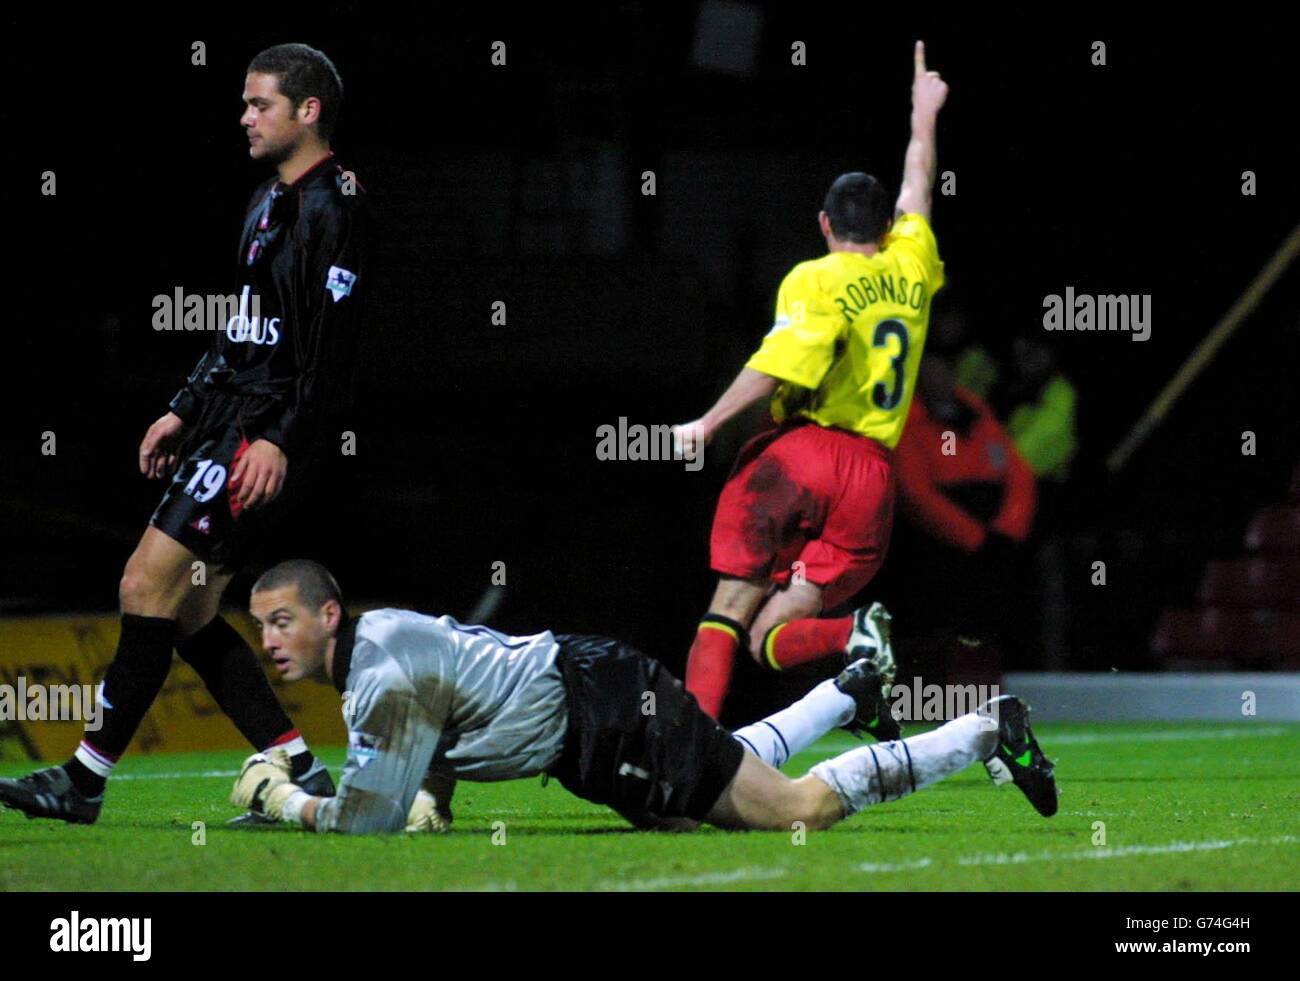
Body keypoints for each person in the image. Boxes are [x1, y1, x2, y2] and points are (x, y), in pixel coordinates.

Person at [0, 43, 370, 825]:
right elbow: (242, 329)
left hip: (263, 439)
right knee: (194, 611)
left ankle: (83, 781)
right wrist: (182, 407)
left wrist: (278, 440)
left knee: (145, 584)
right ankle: (306, 771)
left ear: (308, 112)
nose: (243, 116)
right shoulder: (268, 201)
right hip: (229, 425)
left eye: (259, 103)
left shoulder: (335, 207)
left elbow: (329, 357)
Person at [226, 559, 1058, 834]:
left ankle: (986, 730)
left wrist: (281, 795)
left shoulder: (378, 673)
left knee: (787, 811)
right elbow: (447, 706)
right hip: (591, 709)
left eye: (283, 620)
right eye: (261, 625)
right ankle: (849, 688)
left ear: (327, 614)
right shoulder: (384, 640)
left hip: (601, 710)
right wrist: (434, 795)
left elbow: (365, 818)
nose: (269, 640)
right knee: (702, 800)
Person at [672, 41, 948, 722]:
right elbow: (918, 183)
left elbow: (777, 365)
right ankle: (853, 634)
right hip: (873, 477)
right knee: (771, 637)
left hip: (803, 453)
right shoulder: (912, 266)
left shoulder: (815, 276)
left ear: (824, 225)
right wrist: (923, 118)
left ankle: (690, 754)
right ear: (888, 229)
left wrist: (706, 424)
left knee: (728, 609)